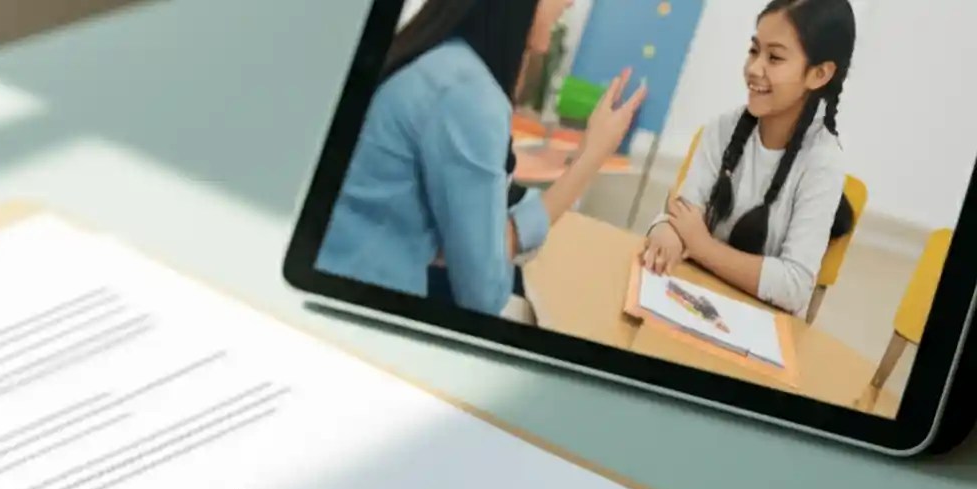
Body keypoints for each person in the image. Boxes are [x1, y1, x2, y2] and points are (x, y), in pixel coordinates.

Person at [316, 0, 647, 317]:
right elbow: (484, 293)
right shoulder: (468, 93)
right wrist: (592, 156)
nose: (570, 2)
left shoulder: (440, 60)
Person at [643, 0, 856, 318]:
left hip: (758, 329)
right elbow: (682, 215)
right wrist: (666, 232)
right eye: (754, 51)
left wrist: (703, 247)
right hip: (691, 303)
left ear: (820, 73)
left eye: (775, 57)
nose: (755, 68)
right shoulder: (721, 130)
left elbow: (794, 287)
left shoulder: (822, 163)